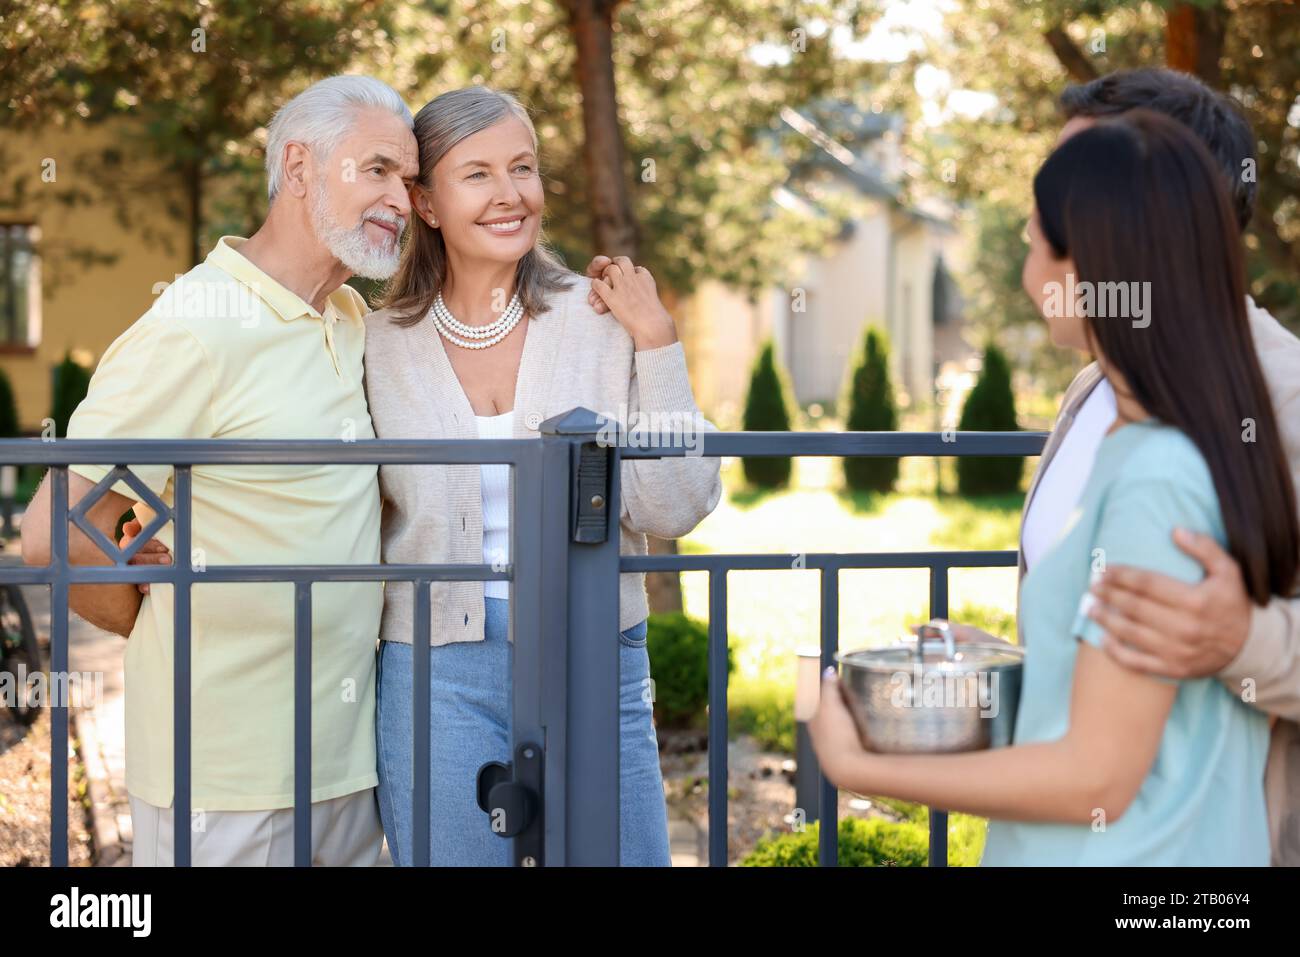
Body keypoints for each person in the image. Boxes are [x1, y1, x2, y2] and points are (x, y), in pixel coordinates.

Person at [808, 109, 1298, 865]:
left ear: (1085, 268)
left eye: (1034, 240)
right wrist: (1018, 663)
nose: (1024, 266)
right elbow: (1147, 703)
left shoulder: (1157, 472)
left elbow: (1097, 780)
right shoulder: (1146, 436)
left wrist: (857, 765)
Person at [21, 75, 420, 866]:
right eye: (377, 170)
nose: (402, 201)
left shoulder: (347, 317)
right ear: (300, 167)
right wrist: (152, 617)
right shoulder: (196, 326)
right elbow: (49, 532)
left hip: (346, 761)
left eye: (409, 180)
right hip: (227, 779)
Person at [944, 68, 1300, 867]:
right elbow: (1128, 635)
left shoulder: (1286, 393)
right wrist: (1015, 664)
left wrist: (1249, 638)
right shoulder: (1099, 386)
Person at [362, 85, 722, 865]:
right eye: (479, 174)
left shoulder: (599, 317)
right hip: (436, 668)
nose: (510, 193)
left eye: (523, 168)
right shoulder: (379, 343)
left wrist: (658, 344)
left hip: (594, 651)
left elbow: (677, 505)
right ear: (426, 203)